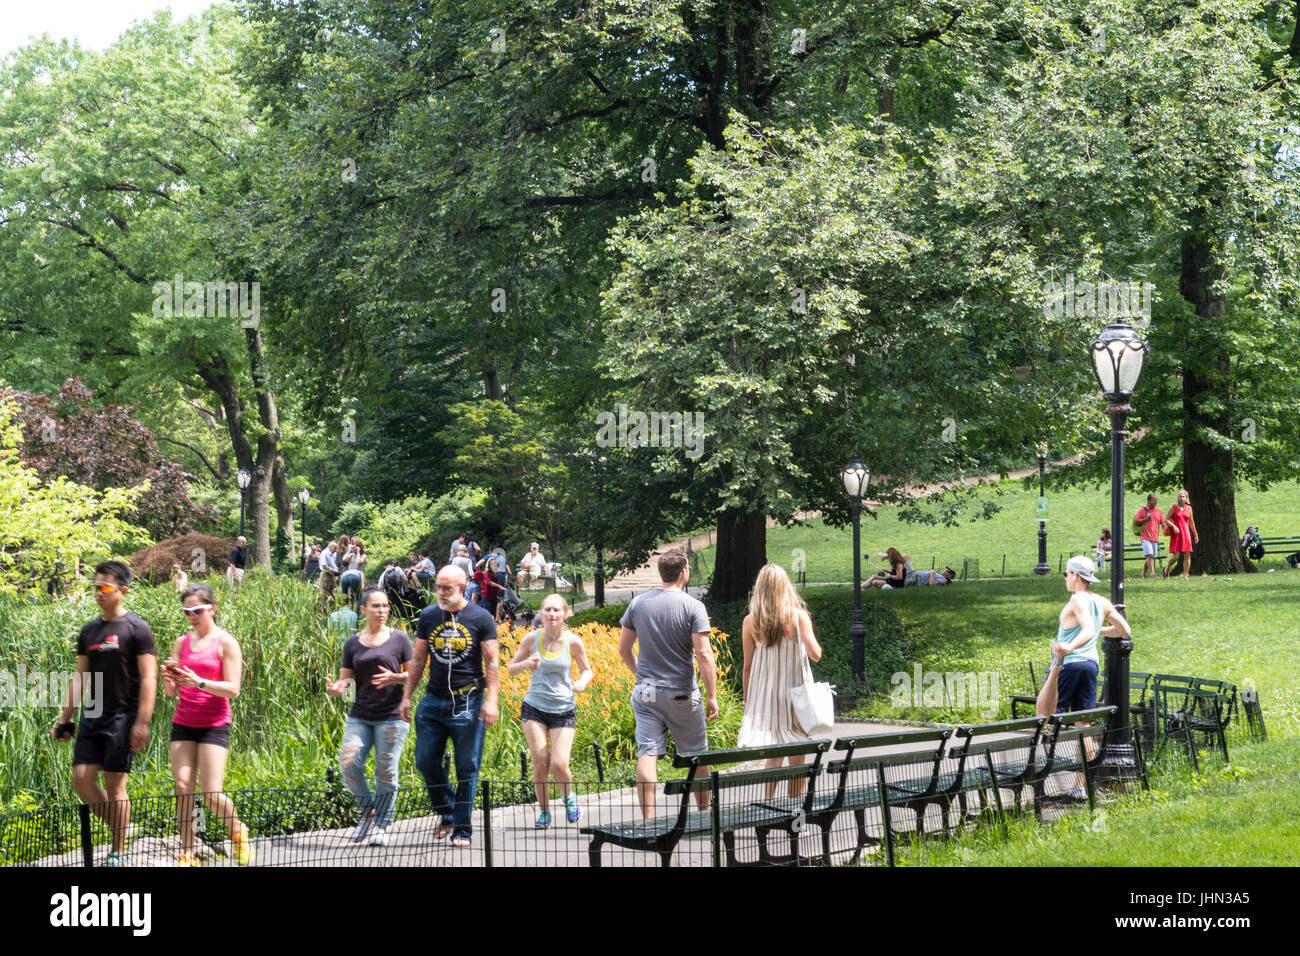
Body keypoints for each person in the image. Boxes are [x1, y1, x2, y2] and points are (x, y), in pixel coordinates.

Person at [52, 561, 157, 867]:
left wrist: (142, 722)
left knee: (115, 786)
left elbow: (149, 677)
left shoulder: (138, 628)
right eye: (95, 587)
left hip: (124, 717)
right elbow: (79, 678)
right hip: (93, 716)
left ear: (122, 591)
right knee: (82, 781)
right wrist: (65, 718)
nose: (98, 593)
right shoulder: (89, 631)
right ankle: (122, 825)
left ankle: (117, 852)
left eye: (105, 588)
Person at [400, 566, 500, 848]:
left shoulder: (480, 618)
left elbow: (492, 661)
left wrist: (492, 700)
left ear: (463, 586)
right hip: (433, 700)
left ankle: (462, 829)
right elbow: (419, 659)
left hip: (468, 699)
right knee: (425, 760)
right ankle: (448, 809)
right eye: (439, 588)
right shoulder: (429, 615)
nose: (441, 593)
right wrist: (407, 696)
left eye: (447, 588)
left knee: (467, 767)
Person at [618, 548, 717, 818]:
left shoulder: (638, 603)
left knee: (647, 753)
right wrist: (711, 696)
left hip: (647, 691)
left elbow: (624, 650)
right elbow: (704, 654)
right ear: (683, 573)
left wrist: (640, 675)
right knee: (697, 754)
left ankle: (649, 819)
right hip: (681, 693)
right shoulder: (692, 606)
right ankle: (704, 814)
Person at [161, 583, 254, 866]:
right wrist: (168, 675)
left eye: (197, 610)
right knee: (182, 785)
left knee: (211, 794)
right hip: (184, 722)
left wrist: (199, 682)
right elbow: (169, 692)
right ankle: (188, 852)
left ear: (212, 608)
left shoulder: (226, 642)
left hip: (215, 723)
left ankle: (237, 831)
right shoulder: (181, 642)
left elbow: (233, 689)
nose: (192, 616)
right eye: (186, 611)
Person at [1035, 556, 1132, 798]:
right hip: (1090, 665)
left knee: (1042, 719)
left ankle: (1038, 784)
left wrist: (1068, 647)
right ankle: (1080, 786)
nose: (1066, 579)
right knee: (1083, 726)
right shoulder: (1101, 601)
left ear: (1075, 576)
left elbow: (1087, 628)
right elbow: (1124, 630)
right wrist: (1101, 630)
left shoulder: (1077, 598)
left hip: (1069, 663)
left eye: (1066, 575)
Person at [325, 588, 413, 847]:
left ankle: (382, 825)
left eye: (385, 606)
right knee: (349, 765)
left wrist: (395, 677)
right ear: (363, 610)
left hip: (393, 716)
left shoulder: (400, 639)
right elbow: (346, 680)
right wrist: (337, 689)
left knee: (385, 772)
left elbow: (415, 674)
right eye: (376, 606)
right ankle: (368, 813)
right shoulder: (352, 643)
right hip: (360, 715)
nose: (382, 611)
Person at [506, 594, 593, 828]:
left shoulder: (573, 641)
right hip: (535, 706)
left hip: (564, 708)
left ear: (565, 614)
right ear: (541, 614)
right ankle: (544, 812)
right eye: (548, 610)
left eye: (557, 610)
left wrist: (582, 683)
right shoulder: (530, 639)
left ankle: (569, 799)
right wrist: (527, 664)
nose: (552, 614)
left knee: (559, 763)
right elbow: (511, 669)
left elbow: (587, 669)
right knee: (540, 761)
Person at [737, 565, 823, 797]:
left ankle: (768, 805)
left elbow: (747, 667)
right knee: (797, 754)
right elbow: (816, 654)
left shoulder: (750, 622)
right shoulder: (797, 617)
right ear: (785, 587)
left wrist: (748, 702)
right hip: (795, 697)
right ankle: (794, 811)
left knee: (774, 754)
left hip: (766, 698)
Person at [1163, 490, 1199, 579]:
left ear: (1186, 498)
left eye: (1183, 496)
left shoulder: (1189, 508)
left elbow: (1191, 523)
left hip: (1186, 534)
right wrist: (1174, 526)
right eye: (1180, 496)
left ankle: (1185, 575)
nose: (1182, 498)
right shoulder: (1174, 508)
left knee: (1187, 555)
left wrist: (1195, 534)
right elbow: (1166, 520)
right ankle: (1167, 568)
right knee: (1176, 557)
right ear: (1178, 498)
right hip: (1177, 534)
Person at [1134, 494, 1164, 578]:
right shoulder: (1143, 510)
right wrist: (1146, 519)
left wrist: (1166, 529)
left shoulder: (1158, 511)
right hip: (1145, 537)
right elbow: (1136, 521)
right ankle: (1153, 574)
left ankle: (1143, 572)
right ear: (1149, 501)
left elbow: (1162, 523)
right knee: (1150, 555)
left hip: (1155, 538)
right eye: (1154, 500)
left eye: (1156, 500)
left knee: (1150, 556)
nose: (1156, 501)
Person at [341, 538, 367, 603]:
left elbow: (359, 562)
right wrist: (349, 551)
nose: (354, 549)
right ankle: (351, 609)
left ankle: (358, 610)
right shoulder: (351, 555)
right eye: (354, 547)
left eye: (356, 547)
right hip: (350, 576)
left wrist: (358, 552)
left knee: (358, 596)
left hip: (359, 577)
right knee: (351, 596)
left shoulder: (363, 556)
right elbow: (344, 559)